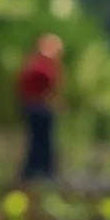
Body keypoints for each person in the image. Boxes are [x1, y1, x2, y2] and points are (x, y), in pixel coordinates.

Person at [16, 33, 64, 181]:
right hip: (39, 108)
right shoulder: (43, 66)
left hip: (32, 106)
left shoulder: (32, 63)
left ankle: (35, 171)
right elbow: (50, 90)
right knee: (42, 140)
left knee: (38, 140)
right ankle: (41, 171)